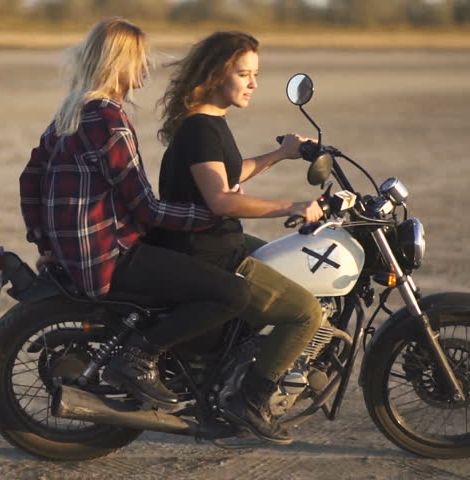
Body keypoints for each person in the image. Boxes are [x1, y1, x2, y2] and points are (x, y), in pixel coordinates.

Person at [19, 19, 251, 410]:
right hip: (111, 257)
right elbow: (147, 207)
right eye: (140, 60)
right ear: (119, 64)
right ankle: (139, 357)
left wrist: (45, 244)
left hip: (84, 254)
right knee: (234, 292)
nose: (146, 68)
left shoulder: (69, 113)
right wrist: (210, 215)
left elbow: (30, 179)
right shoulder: (109, 121)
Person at [152, 31, 324, 443]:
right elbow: (222, 201)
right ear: (216, 74)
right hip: (207, 251)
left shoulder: (208, 123)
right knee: (305, 313)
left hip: (214, 242)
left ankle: (232, 361)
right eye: (244, 74)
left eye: (256, 74)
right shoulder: (201, 129)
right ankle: (249, 401)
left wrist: (281, 155)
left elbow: (226, 175)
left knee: (281, 260)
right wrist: (293, 206)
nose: (253, 83)